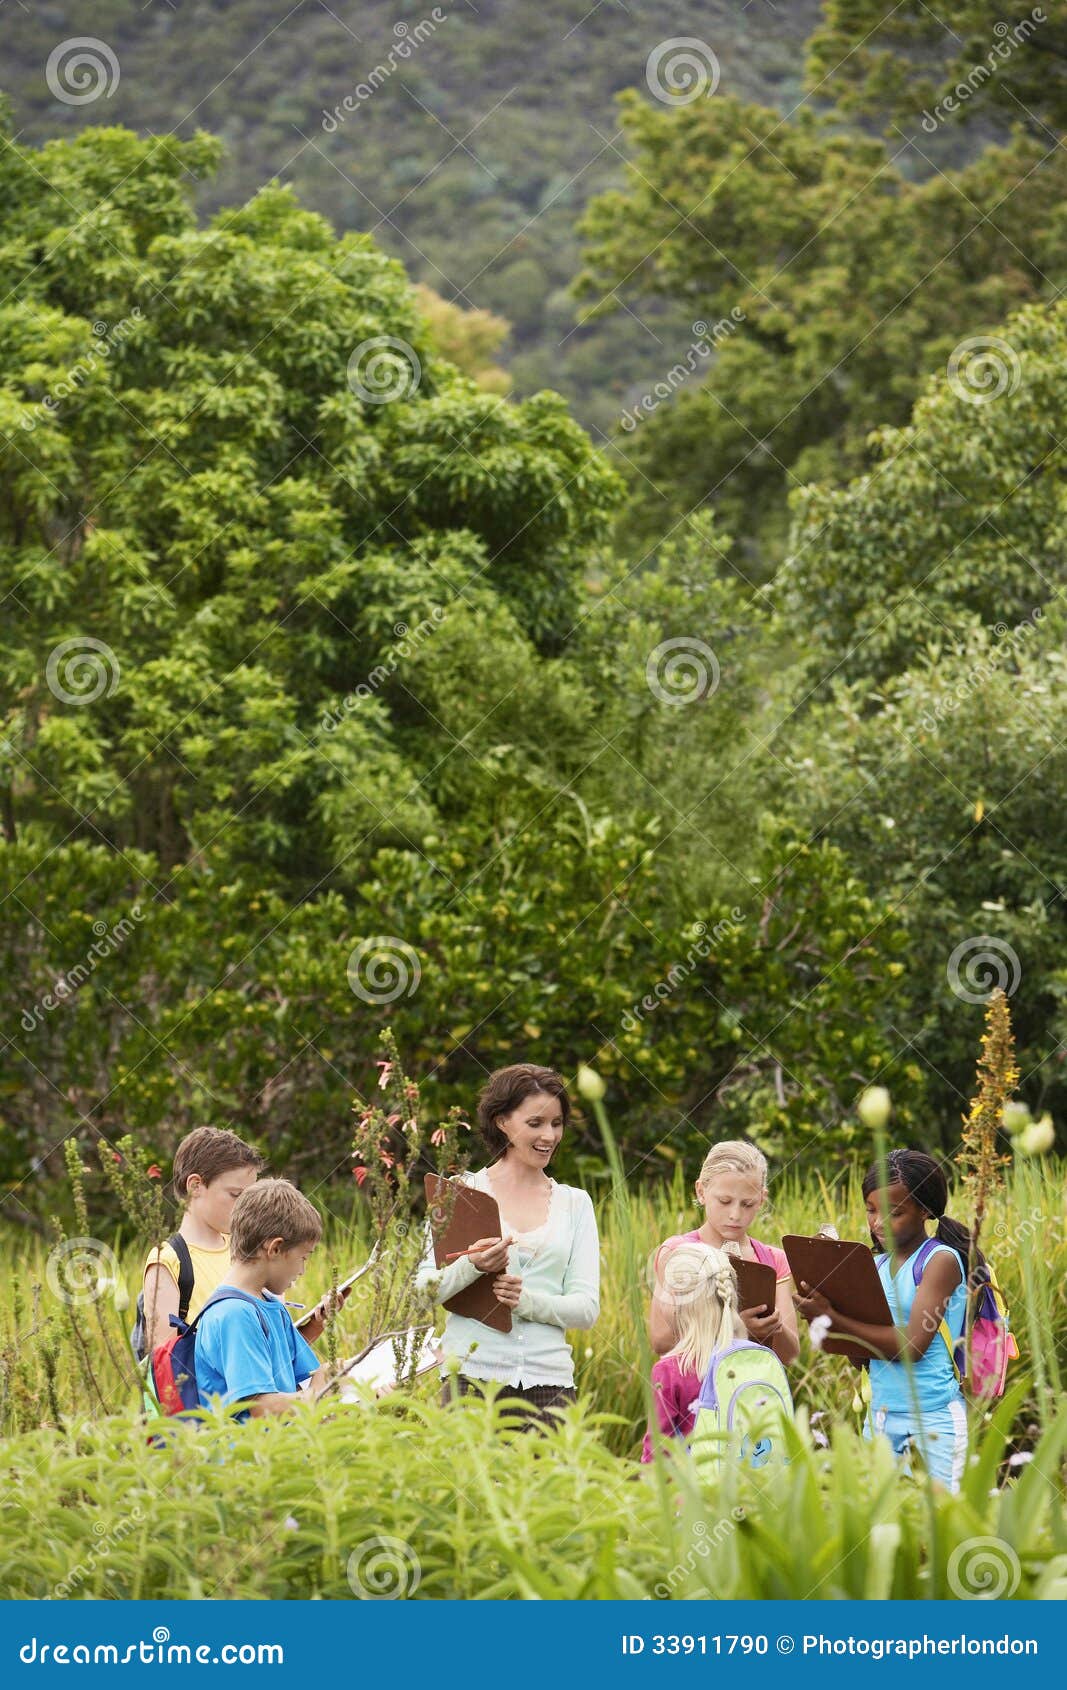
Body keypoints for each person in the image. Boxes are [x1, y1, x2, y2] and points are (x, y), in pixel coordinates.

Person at [416, 1063, 599, 1428]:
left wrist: (526, 1302)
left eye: (557, 1123)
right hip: (470, 1380)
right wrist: (474, 1265)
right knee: (470, 1485)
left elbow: (586, 1309)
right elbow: (422, 1293)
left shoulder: (575, 1204)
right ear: (502, 1122)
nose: (549, 1135)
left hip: (551, 1387)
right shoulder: (459, 1193)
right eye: (535, 1123)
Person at [794, 1148, 971, 1492]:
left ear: (925, 1210)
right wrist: (827, 1311)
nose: (877, 1222)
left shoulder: (939, 1261)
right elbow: (861, 1357)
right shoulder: (871, 1266)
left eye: (895, 1213)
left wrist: (834, 1319)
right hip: (881, 1418)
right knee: (885, 1523)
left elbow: (912, 1346)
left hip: (933, 1420)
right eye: (871, 1210)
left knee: (940, 1526)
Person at [649, 1141, 798, 1366]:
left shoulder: (774, 1260)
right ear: (701, 1192)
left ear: (762, 1199)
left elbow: (791, 1356)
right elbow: (660, 1341)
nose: (735, 1215)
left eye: (747, 1204)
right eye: (725, 1201)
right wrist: (737, 1328)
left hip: (753, 1395)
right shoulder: (678, 1252)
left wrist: (775, 1325)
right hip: (696, 1396)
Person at [194, 1178, 328, 1418]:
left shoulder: (270, 1305)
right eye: (304, 1257)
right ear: (275, 1248)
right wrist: (318, 1392)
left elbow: (303, 1379)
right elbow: (261, 1407)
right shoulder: (234, 1315)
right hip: (250, 1455)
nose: (302, 1270)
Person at [140, 1127, 263, 1356]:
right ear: (195, 1185)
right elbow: (164, 1364)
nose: (245, 1207)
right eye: (236, 1195)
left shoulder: (244, 1251)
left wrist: (313, 1326)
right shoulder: (168, 1261)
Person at [641, 1240, 745, 1462]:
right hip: (745, 1490)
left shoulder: (670, 1371)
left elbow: (658, 1455)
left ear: (678, 1301)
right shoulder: (748, 1360)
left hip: (689, 1493)